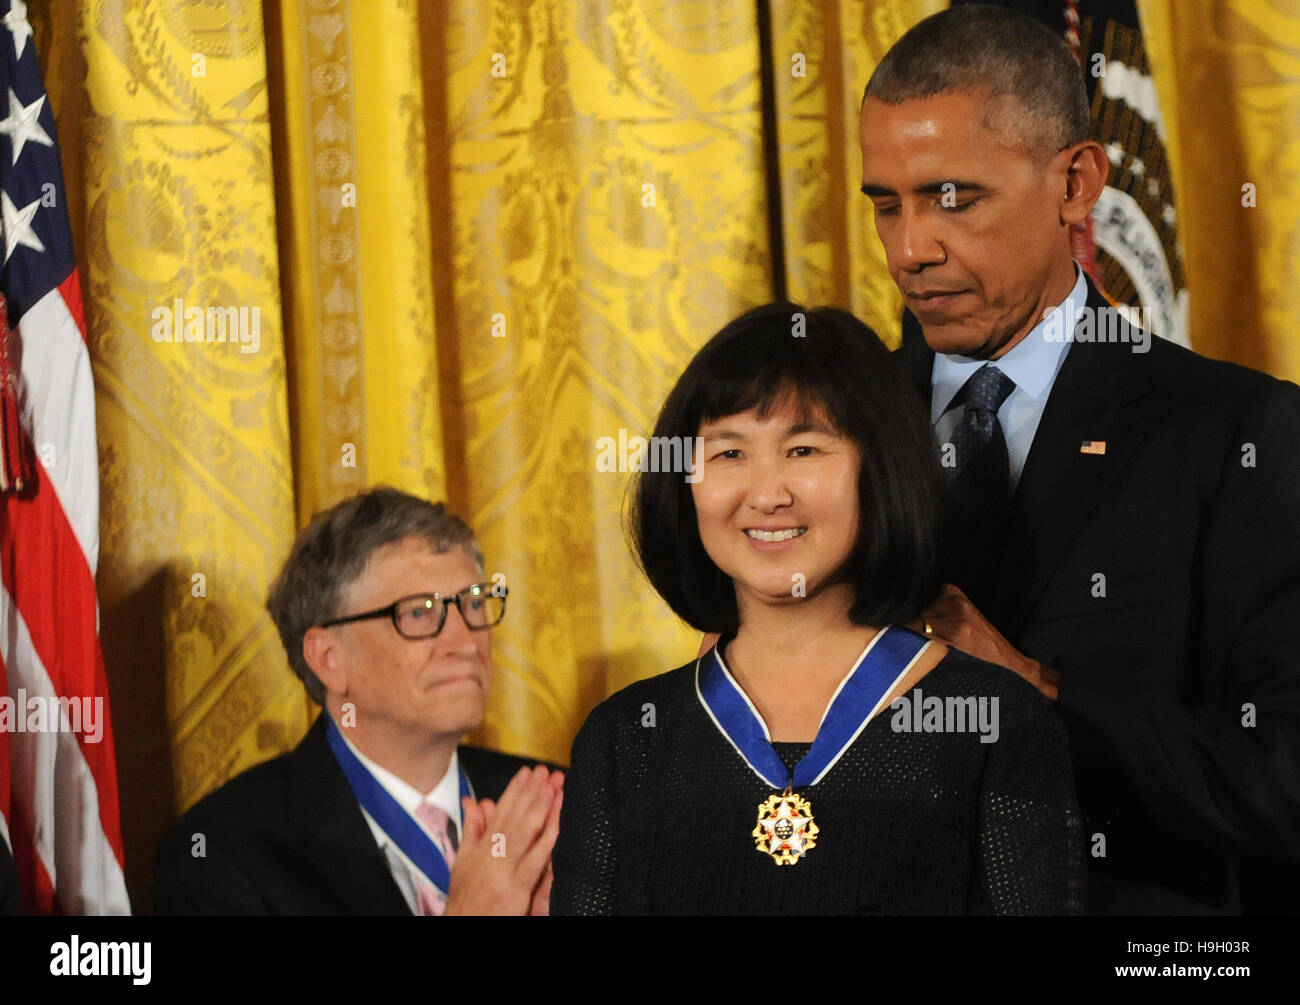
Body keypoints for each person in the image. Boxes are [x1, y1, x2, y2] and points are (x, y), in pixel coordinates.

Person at [859, 4, 1300, 912]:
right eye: (886, 205)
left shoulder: (1236, 431)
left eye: (953, 199)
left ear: (1077, 182)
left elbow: (1283, 782)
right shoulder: (829, 427)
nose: (911, 250)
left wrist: (1037, 691)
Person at [552, 304, 1084, 915]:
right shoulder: (625, 738)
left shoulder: (993, 721)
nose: (768, 494)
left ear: (878, 469)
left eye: (803, 450)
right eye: (729, 453)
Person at [154, 488, 562, 915]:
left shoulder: (563, 803)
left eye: (474, 603)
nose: (464, 642)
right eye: (419, 613)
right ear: (329, 659)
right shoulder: (218, 856)